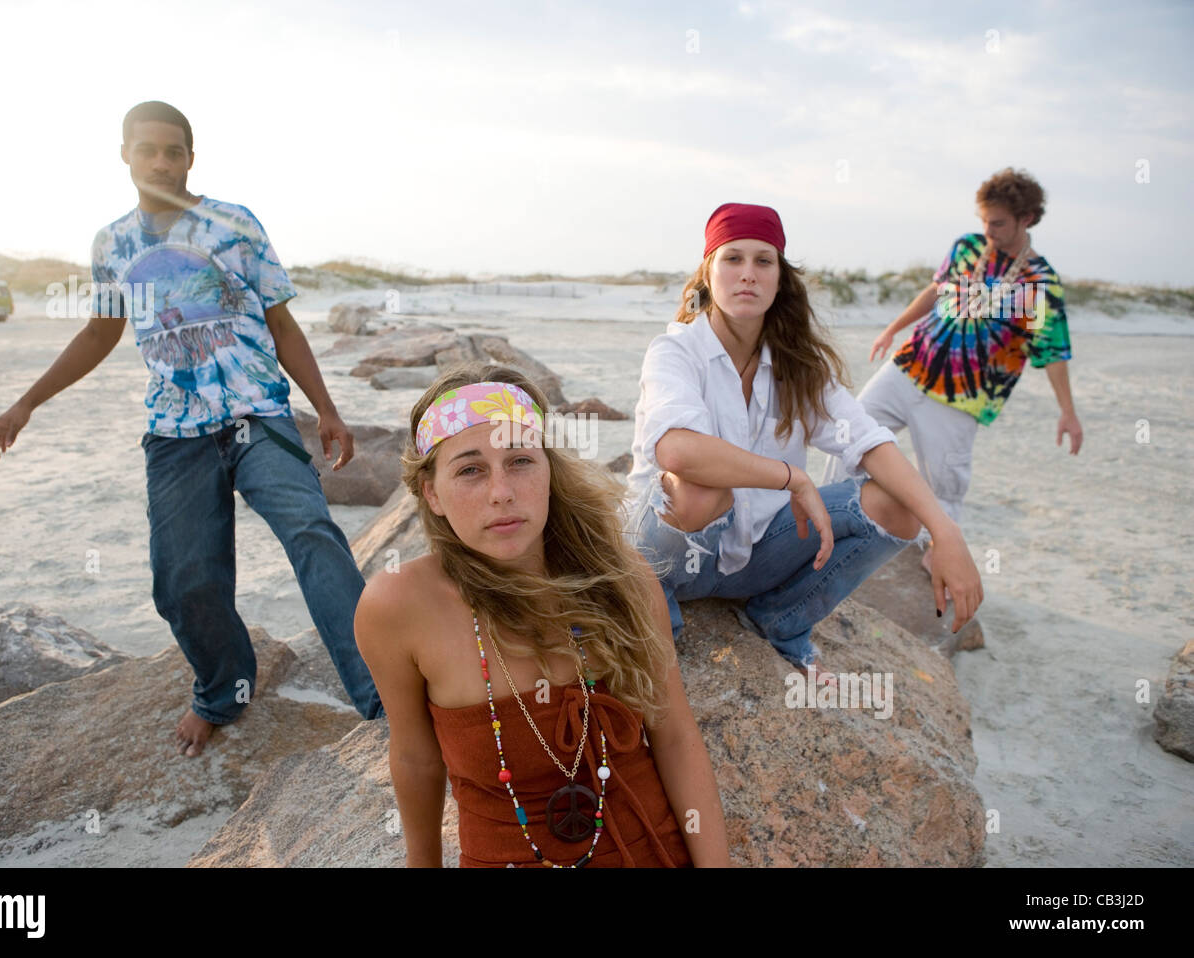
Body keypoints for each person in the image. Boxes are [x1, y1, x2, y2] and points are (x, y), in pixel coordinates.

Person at [0, 100, 381, 757]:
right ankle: (225, 690)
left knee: (312, 533)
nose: (161, 161)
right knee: (182, 582)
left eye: (174, 150)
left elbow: (282, 324)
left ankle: (383, 698)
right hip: (177, 431)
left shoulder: (234, 224)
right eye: (148, 150)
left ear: (191, 157)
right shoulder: (112, 244)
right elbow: (99, 331)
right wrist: (26, 403)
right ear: (126, 155)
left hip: (258, 414)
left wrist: (327, 408)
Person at [354, 364, 730, 867]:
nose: (501, 491)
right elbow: (416, 759)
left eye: (520, 461)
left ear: (549, 471)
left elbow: (676, 737)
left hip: (647, 848)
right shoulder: (397, 607)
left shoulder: (623, 580)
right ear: (432, 493)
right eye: (470, 469)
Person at [627, 202, 984, 681]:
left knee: (898, 505)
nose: (748, 274)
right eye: (732, 258)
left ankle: (781, 619)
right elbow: (678, 451)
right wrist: (793, 479)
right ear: (708, 272)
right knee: (701, 485)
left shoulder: (798, 367)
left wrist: (943, 531)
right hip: (672, 555)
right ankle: (656, 613)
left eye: (763, 261)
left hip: (755, 558)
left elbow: (870, 441)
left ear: (780, 279)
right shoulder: (675, 351)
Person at [822, 168, 1082, 575]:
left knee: (944, 481)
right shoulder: (967, 248)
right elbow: (936, 291)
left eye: (997, 223)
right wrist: (893, 329)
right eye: (984, 220)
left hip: (963, 394)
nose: (988, 230)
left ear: (1027, 219)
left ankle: (937, 555)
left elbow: (1054, 352)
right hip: (911, 365)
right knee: (850, 433)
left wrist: (1067, 411)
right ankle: (830, 519)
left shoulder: (1040, 282)